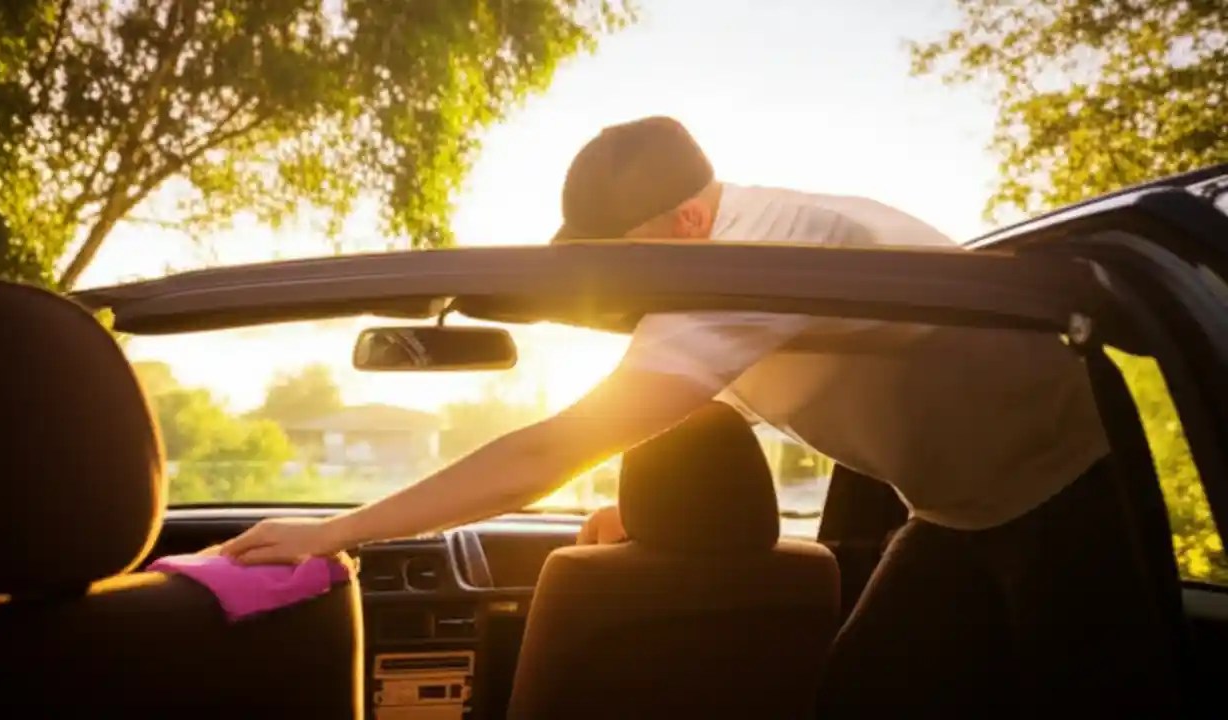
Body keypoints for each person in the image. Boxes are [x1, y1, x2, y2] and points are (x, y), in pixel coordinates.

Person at [221, 116, 1180, 716]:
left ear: (687, 221)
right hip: (954, 513)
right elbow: (682, 405)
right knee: (861, 698)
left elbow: (553, 445)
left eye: (627, 254)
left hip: (1067, 499)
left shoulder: (762, 267)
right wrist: (646, 517)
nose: (622, 286)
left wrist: (336, 528)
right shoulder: (718, 267)